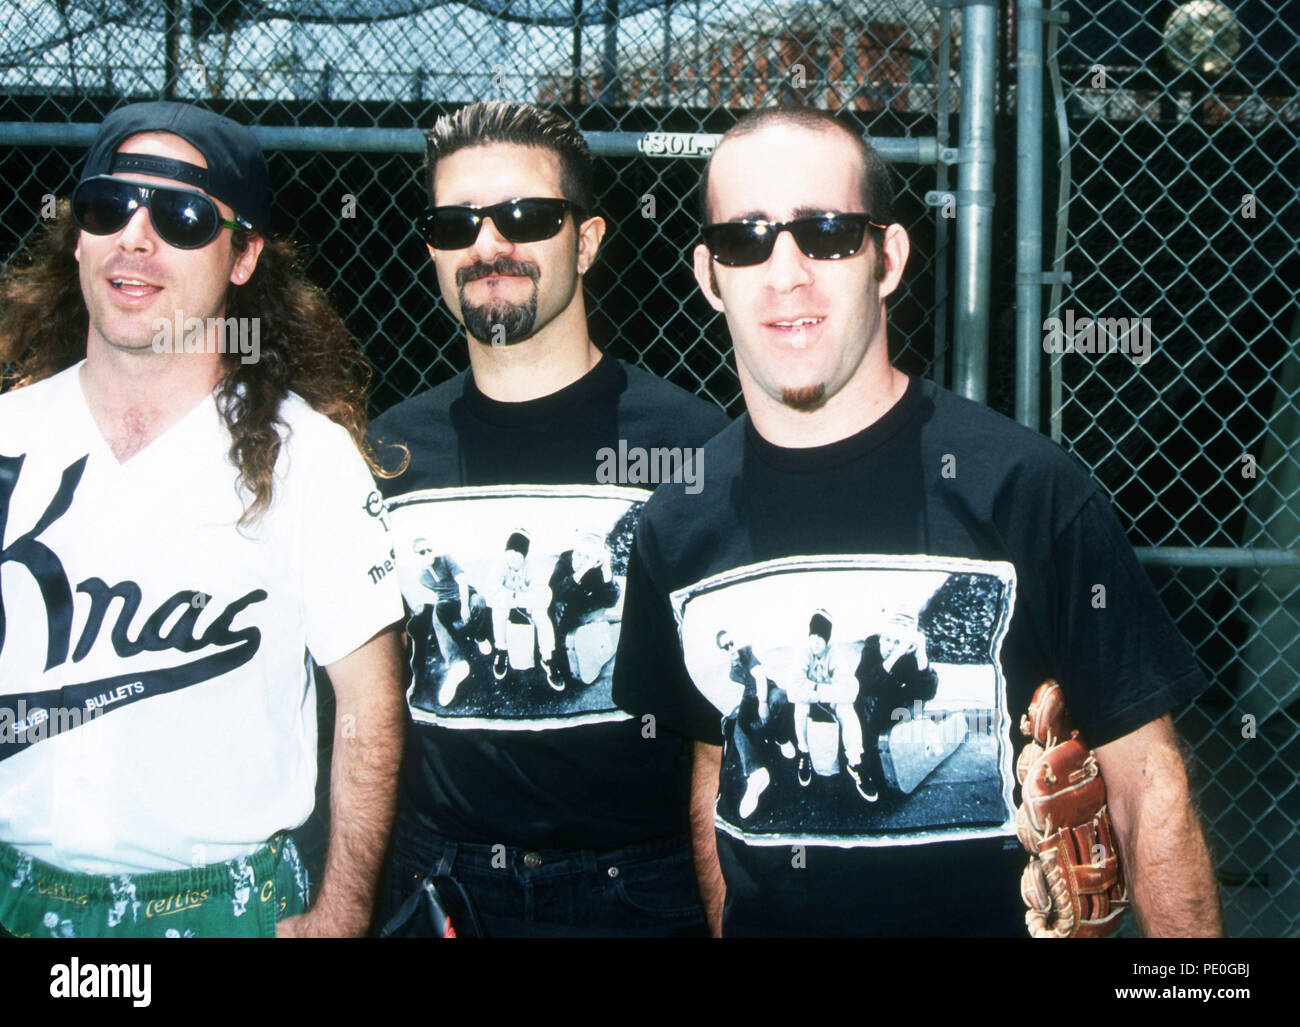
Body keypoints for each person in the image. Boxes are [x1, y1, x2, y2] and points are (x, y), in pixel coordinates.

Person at [613, 105, 1222, 937]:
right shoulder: (676, 521)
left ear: (887, 258)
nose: (785, 271)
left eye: (825, 232)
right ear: (709, 273)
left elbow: (1151, 786)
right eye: (745, 238)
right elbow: (715, 766)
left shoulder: (1027, 488)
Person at [0, 102, 406, 937]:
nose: (136, 239)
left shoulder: (310, 458)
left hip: (225, 905)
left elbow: (370, 703)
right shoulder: (10, 437)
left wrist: (341, 910)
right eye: (110, 207)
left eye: (184, 217)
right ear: (78, 236)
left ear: (245, 253)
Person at [369, 100, 729, 937]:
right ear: (432, 250)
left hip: (640, 887)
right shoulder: (384, 454)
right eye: (455, 224)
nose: (489, 245)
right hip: (440, 882)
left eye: (526, 216)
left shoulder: (693, 446)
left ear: (588, 240)